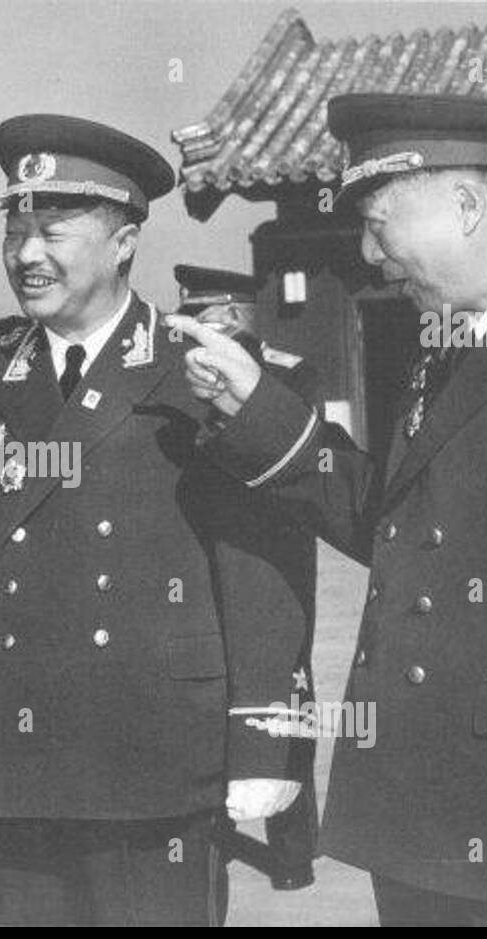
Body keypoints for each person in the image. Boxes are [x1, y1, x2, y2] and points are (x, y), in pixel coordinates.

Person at [179, 93, 487, 926]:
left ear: (466, 205)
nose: (370, 256)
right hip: (422, 821)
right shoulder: (448, 342)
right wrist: (259, 406)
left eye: (380, 223)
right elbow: (404, 532)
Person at [0, 114, 316, 925]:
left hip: (155, 755)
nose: (27, 254)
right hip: (8, 759)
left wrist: (264, 735)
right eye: (15, 230)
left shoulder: (201, 374)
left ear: (123, 243)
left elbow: (257, 570)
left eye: (54, 230)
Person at [174, 264, 319, 892]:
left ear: (236, 314)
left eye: (205, 310)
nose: (196, 321)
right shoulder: (180, 371)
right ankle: (210, 823)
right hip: (203, 537)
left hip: (274, 541)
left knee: (285, 689)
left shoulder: (288, 368)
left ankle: (293, 846)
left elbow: (298, 448)